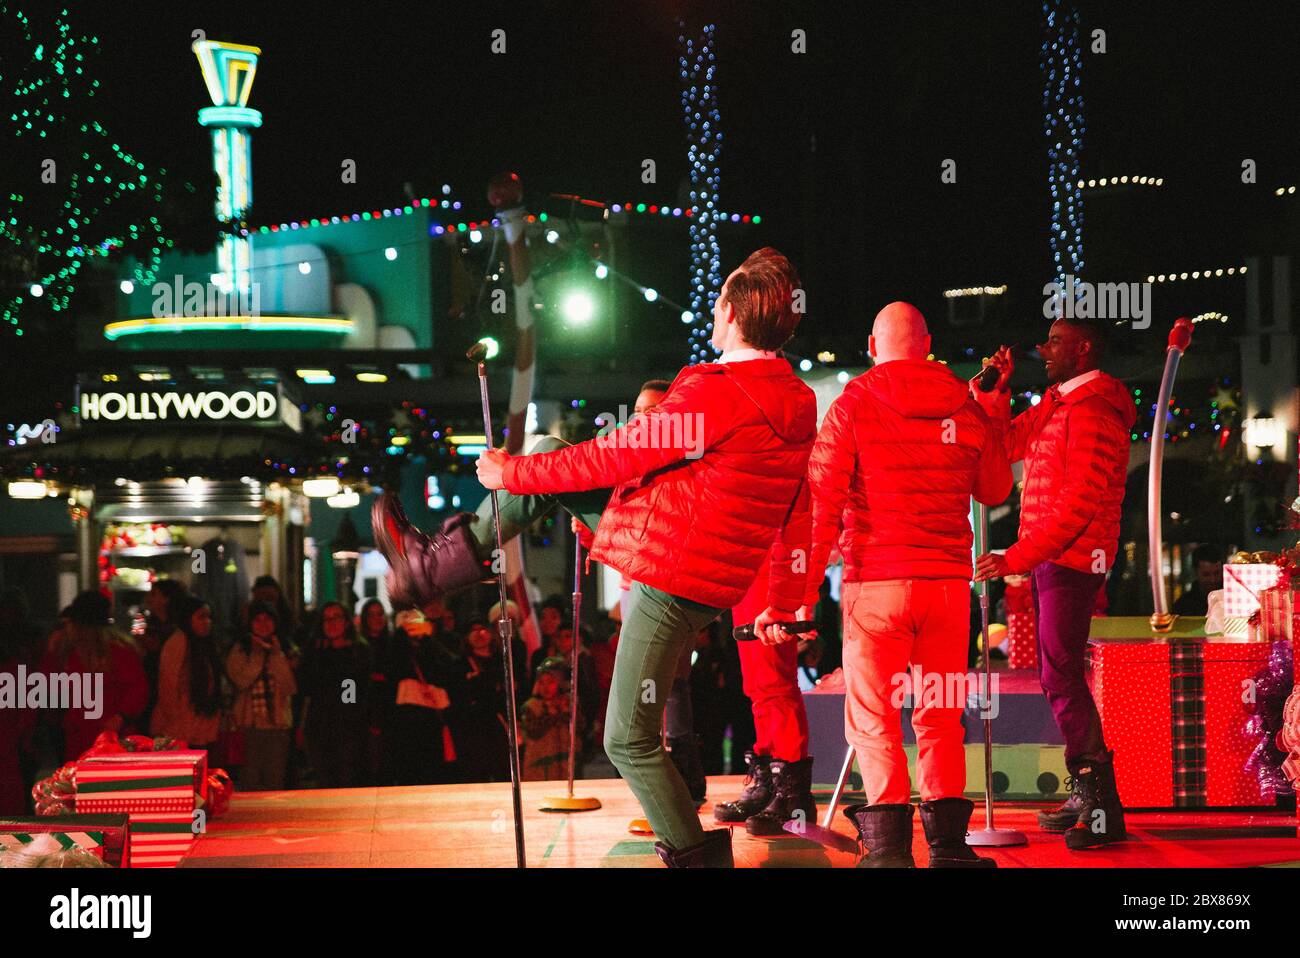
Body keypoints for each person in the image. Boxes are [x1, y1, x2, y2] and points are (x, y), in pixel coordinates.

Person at [375, 247, 817, 867]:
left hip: (674, 573)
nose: (713, 309)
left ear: (733, 314)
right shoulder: (796, 401)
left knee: (628, 740)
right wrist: (785, 598)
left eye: (720, 299)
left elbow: (616, 457)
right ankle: (431, 566)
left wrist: (511, 472)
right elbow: (797, 511)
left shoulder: (720, 394)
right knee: (554, 448)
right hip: (705, 566)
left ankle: (695, 857)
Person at [766, 302, 1012, 867]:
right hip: (947, 588)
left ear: (873, 348)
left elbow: (822, 508)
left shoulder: (853, 403)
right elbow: (996, 489)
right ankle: (949, 847)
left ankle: (888, 851)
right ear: (926, 344)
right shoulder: (963, 404)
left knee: (874, 719)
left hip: (875, 585)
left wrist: (801, 599)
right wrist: (992, 411)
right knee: (940, 713)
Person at [974, 316, 1136, 850]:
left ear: (1085, 349)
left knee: (1061, 671)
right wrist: (994, 392)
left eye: (1057, 342)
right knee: (1056, 672)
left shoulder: (1093, 411)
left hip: (1070, 559)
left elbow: (1080, 503)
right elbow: (1007, 444)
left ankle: (1098, 802)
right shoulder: (1057, 403)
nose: (1044, 348)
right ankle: (1088, 792)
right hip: (1052, 558)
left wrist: (1017, 555)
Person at [380, 610, 463, 785]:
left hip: (435, 724)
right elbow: (388, 676)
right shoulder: (395, 652)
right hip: (406, 727)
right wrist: (401, 640)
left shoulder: (437, 645)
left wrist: (428, 639)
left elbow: (451, 670)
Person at [297, 601, 372, 788]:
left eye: (337, 618)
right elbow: (307, 686)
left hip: (348, 729)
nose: (331, 624)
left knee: (346, 780)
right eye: (326, 619)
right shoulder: (315, 650)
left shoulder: (357, 651)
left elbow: (352, 691)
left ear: (346, 622)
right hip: (320, 727)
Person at [225, 601, 297, 790]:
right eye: (258, 620)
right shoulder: (240, 650)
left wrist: (275, 655)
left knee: (275, 779)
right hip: (249, 725)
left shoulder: (286, 648)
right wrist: (257, 656)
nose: (263, 624)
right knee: (250, 779)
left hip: (278, 725)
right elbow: (241, 681)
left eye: (268, 619)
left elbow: (290, 686)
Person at [150, 593, 223, 749]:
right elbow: (168, 687)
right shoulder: (178, 643)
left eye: (209, 617)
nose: (207, 622)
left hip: (197, 724)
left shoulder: (202, 644)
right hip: (181, 728)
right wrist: (175, 721)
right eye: (201, 617)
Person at [449, 620, 512, 782]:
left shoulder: (503, 659)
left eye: (482, 629)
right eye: (473, 630)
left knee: (503, 772)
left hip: (498, 724)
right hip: (473, 728)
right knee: (476, 773)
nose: (479, 634)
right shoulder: (460, 664)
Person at [139, 579, 187, 731]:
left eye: (154, 594)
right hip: (152, 688)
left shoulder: (177, 630)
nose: (148, 598)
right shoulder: (153, 625)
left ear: (167, 599)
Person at [521, 656, 578, 781]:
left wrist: (565, 711)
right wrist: (552, 715)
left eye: (551, 682)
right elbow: (533, 731)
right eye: (542, 682)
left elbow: (579, 726)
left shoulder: (569, 703)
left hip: (563, 762)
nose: (545, 687)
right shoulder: (532, 706)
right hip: (538, 764)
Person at [1172, 543, 1224, 616]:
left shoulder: (1231, 601)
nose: (1213, 580)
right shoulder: (1183, 605)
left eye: (1216, 573)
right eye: (1206, 574)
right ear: (1196, 573)